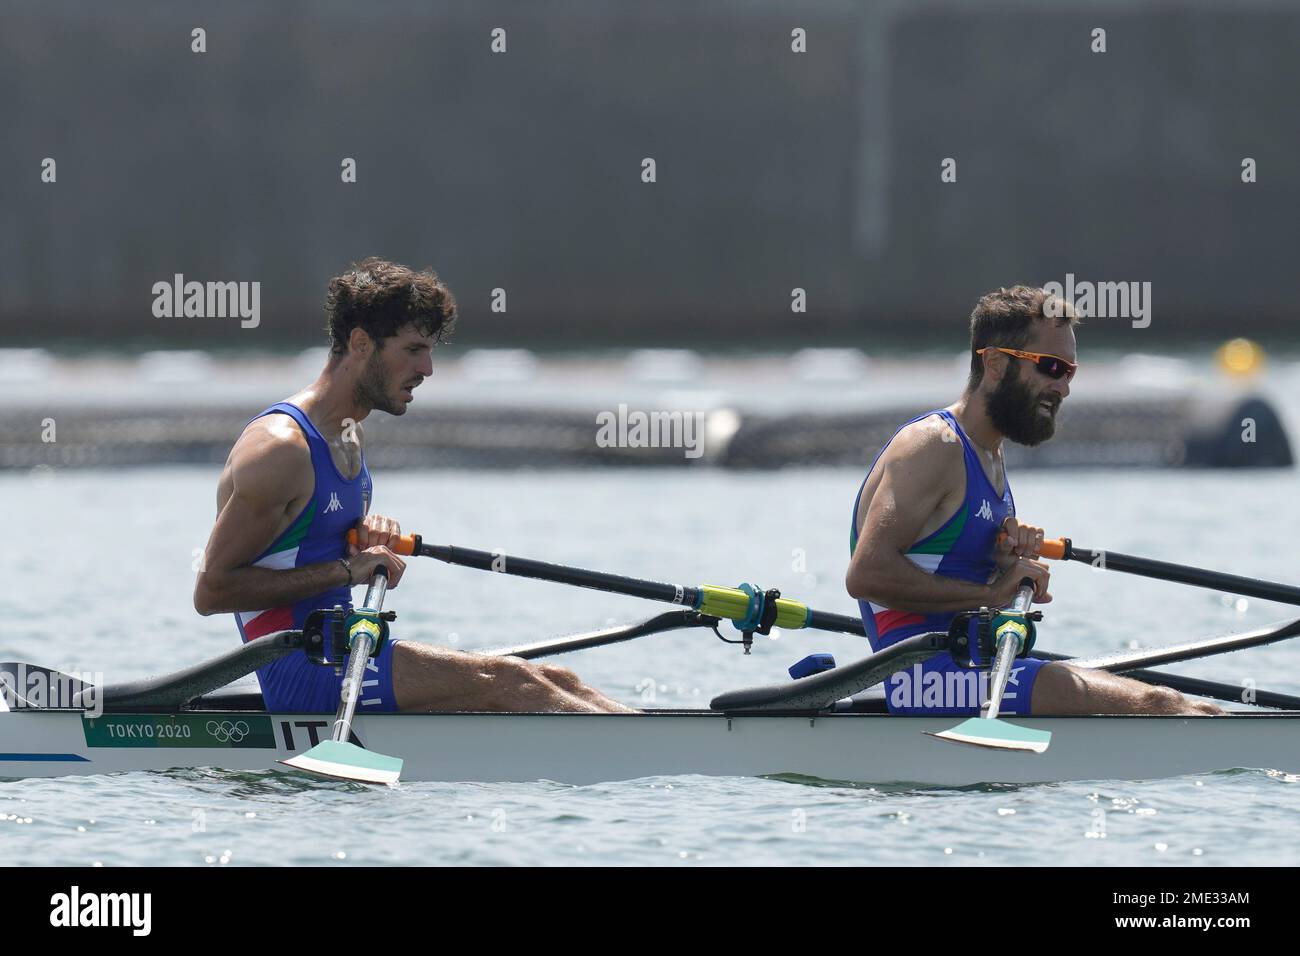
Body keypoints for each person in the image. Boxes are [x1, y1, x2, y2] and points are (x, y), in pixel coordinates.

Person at [194, 257, 634, 714]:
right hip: (306, 671)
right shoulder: (280, 451)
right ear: (361, 344)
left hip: (345, 648)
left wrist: (362, 533)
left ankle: (654, 744)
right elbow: (213, 592)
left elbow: (303, 539)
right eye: (413, 350)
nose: (428, 368)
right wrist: (349, 571)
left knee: (556, 678)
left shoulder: (347, 435)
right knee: (511, 681)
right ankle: (653, 768)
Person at [845, 285, 1220, 716]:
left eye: (1069, 372)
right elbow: (866, 574)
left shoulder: (990, 457)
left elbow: (945, 565)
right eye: (1050, 367)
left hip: (974, 667)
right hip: (924, 680)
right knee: (1159, 704)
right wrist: (991, 591)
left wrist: (1003, 562)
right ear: (996, 363)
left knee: (1186, 706)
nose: (1063, 388)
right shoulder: (934, 445)